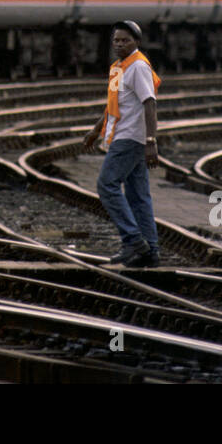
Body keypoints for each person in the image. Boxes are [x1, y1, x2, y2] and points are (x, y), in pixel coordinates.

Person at [83, 20, 161, 267]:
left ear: (136, 42)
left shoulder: (138, 66)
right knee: (138, 196)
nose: (119, 44)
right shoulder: (118, 68)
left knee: (107, 185)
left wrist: (151, 141)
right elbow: (113, 105)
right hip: (124, 136)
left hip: (130, 138)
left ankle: (133, 241)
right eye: (116, 40)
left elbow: (150, 103)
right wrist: (96, 130)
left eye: (125, 40)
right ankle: (150, 252)